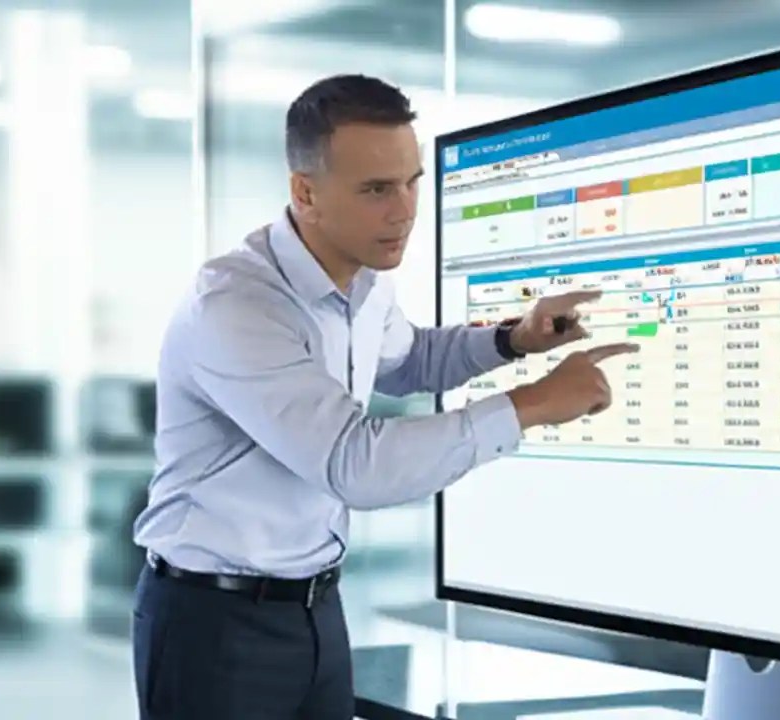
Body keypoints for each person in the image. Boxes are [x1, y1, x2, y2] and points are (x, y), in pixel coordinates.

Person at [130, 74, 638, 720]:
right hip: (214, 623)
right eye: (376, 190)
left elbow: (409, 361)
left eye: (411, 182)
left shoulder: (364, 282)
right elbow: (354, 464)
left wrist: (514, 339)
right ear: (305, 192)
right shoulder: (235, 305)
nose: (403, 211)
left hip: (316, 608)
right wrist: (534, 403)